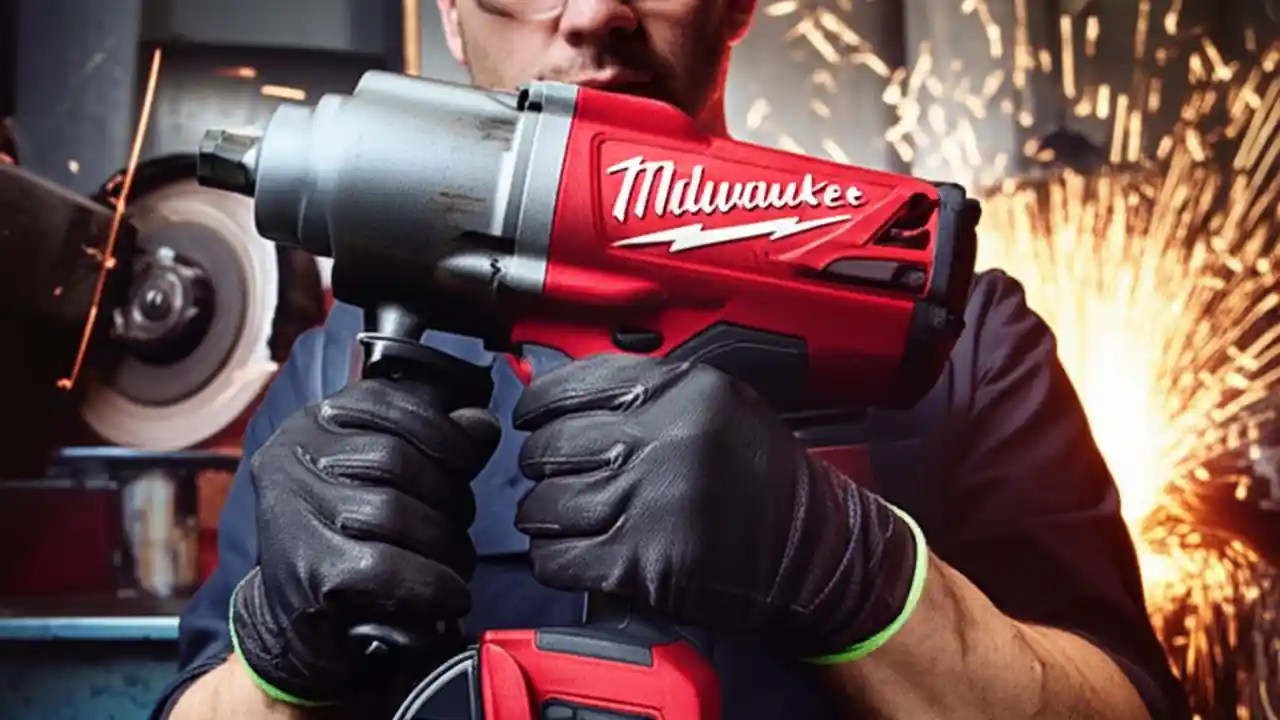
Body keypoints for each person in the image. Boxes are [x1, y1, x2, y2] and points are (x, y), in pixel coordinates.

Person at [154, 0, 1190, 718]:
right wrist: (280, 654)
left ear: (735, 6)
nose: (595, 11)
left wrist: (848, 571)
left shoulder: (961, 339)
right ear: (451, 13)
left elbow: (1124, 707)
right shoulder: (338, 373)